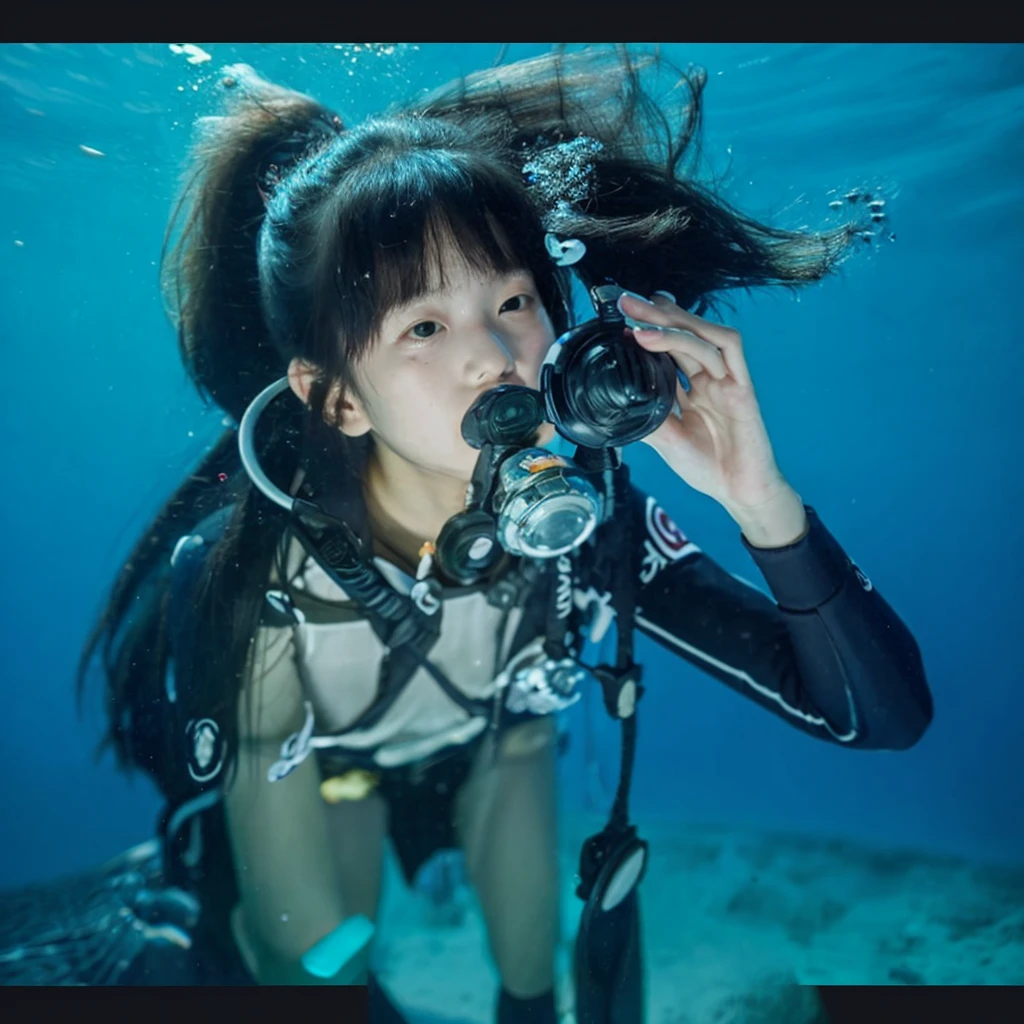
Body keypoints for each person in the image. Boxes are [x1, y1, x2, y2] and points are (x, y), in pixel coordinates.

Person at [73, 48, 932, 1022]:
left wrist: (757, 496)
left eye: (513, 302)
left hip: (490, 752)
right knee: (317, 948)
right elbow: (292, 936)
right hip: (329, 770)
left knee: (528, 878)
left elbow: (881, 719)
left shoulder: (584, 523)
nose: (493, 358)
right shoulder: (263, 568)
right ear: (336, 398)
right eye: (423, 329)